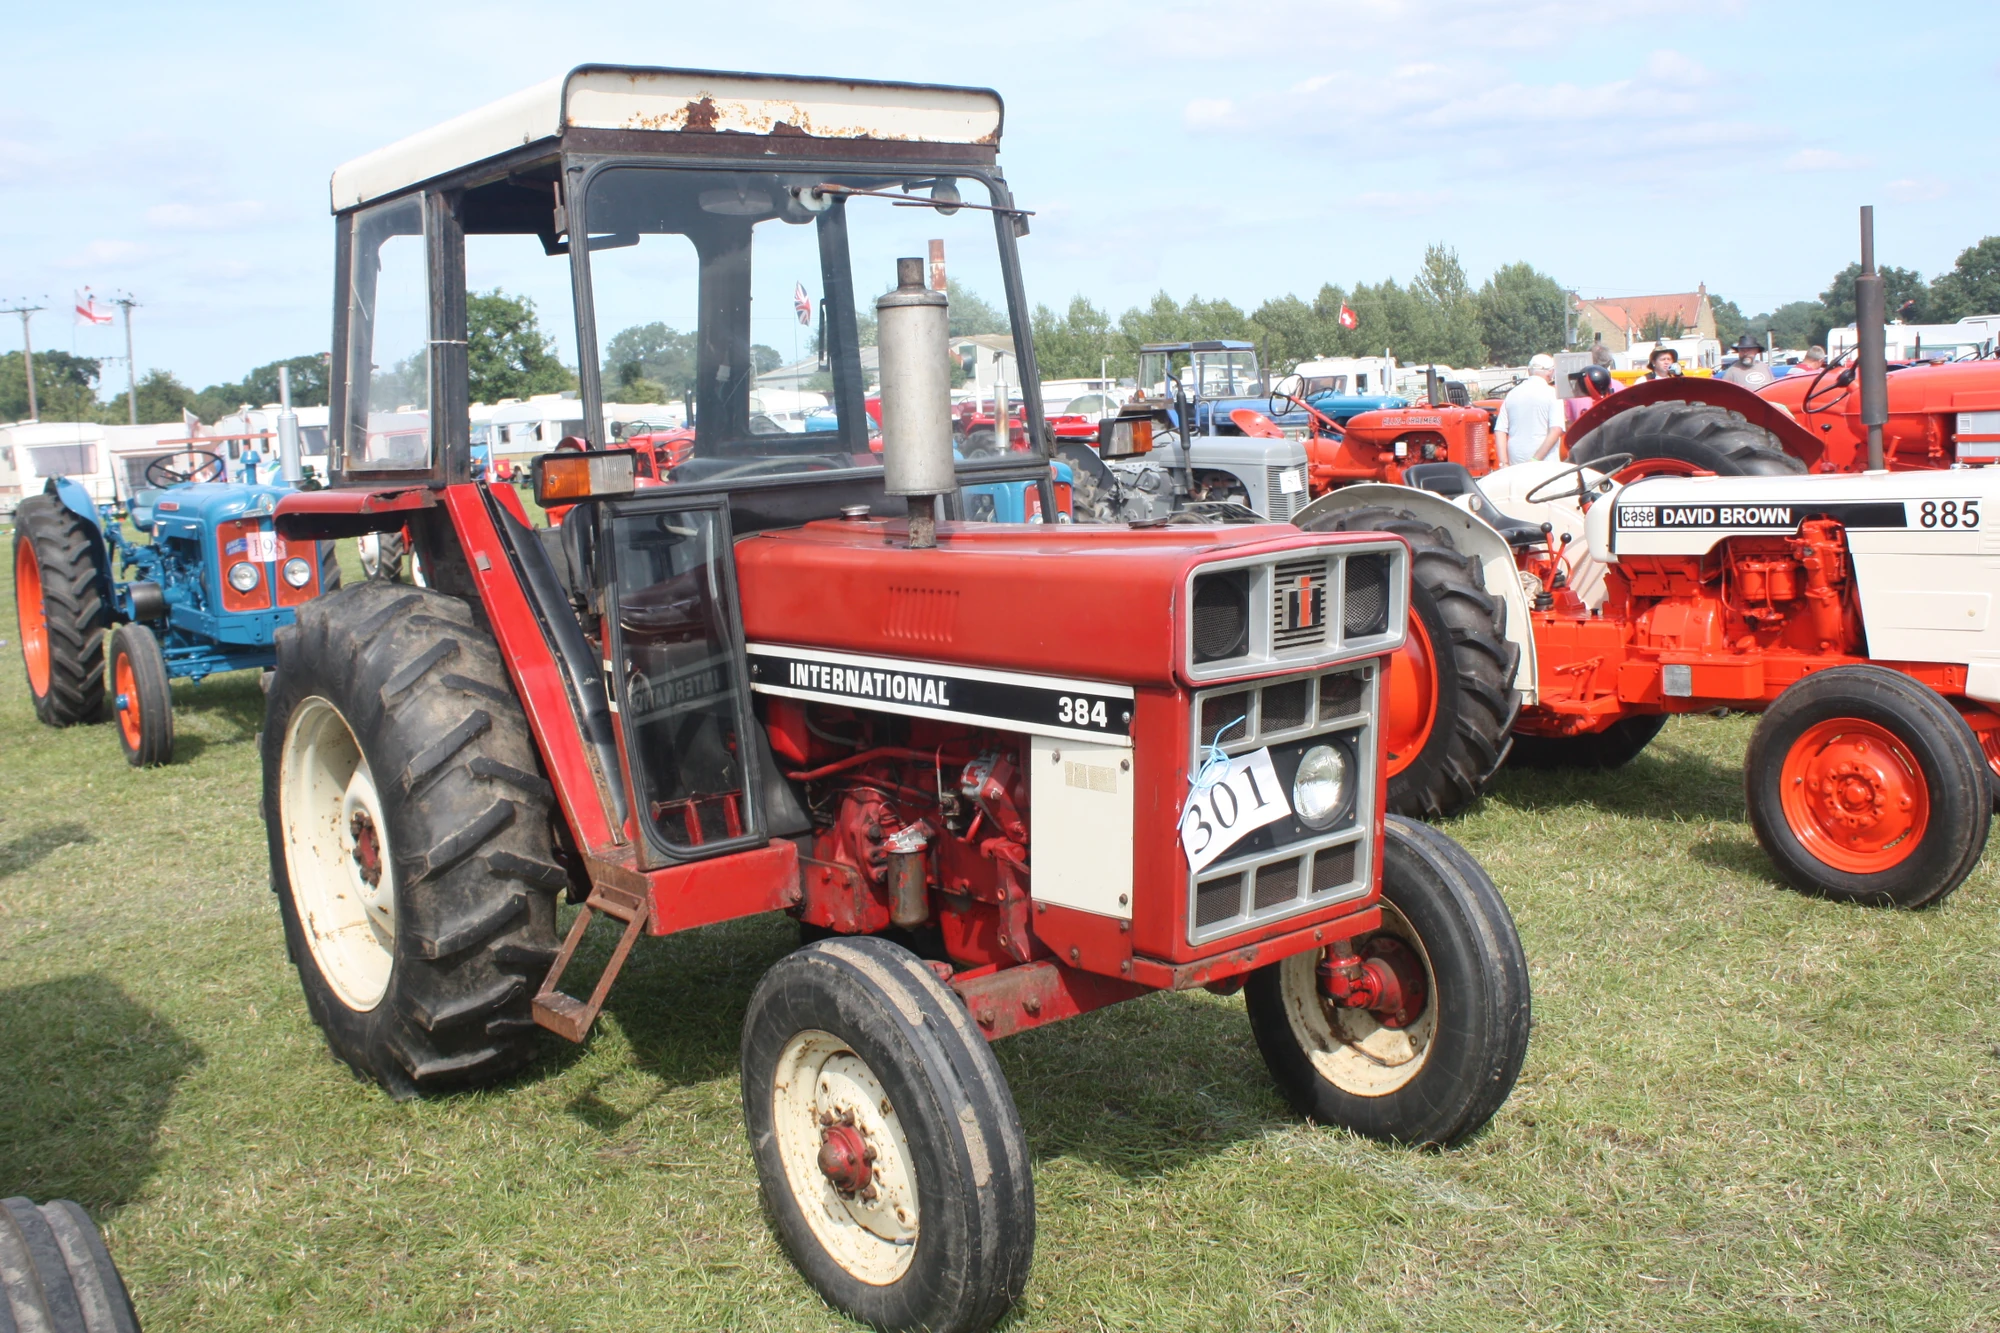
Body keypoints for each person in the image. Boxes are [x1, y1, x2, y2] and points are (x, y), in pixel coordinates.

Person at [1495, 353, 1565, 464]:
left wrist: (1503, 463)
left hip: (1516, 460)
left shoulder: (1512, 394)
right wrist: (1535, 459)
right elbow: (1556, 430)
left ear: (1529, 371)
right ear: (1550, 372)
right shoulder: (1553, 394)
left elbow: (1500, 430)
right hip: (1544, 462)